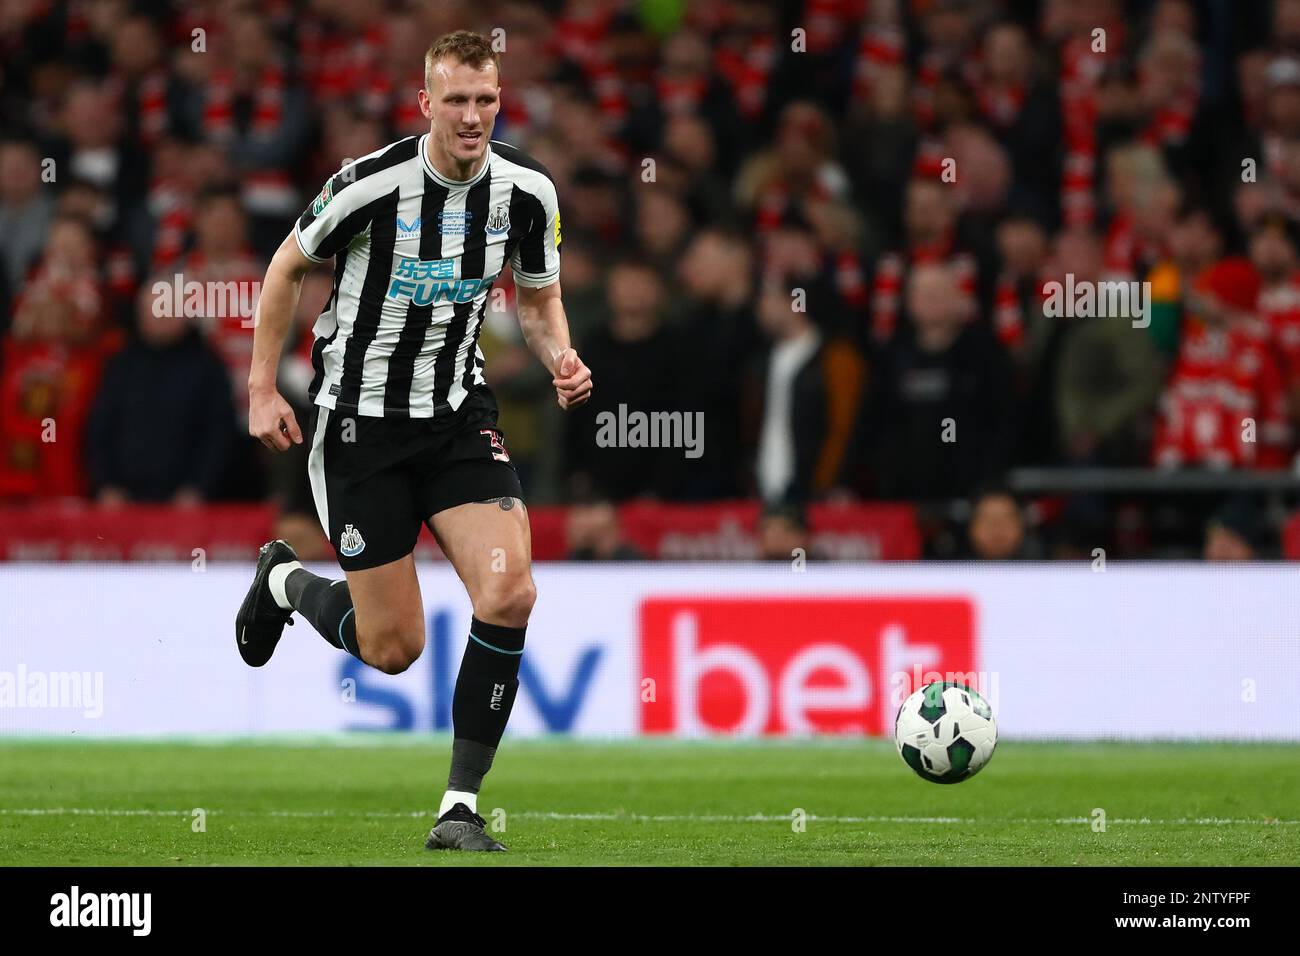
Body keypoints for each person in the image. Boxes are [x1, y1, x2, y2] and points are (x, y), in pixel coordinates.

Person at [234, 31, 592, 853]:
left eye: (487, 100)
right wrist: (261, 387)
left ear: (501, 103)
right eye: (457, 100)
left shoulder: (528, 192)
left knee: (509, 594)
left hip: (459, 416)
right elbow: (286, 267)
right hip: (360, 427)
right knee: (394, 649)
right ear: (425, 103)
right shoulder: (369, 186)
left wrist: (560, 355)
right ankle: (286, 582)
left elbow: (537, 304)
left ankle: (460, 807)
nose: (473, 117)